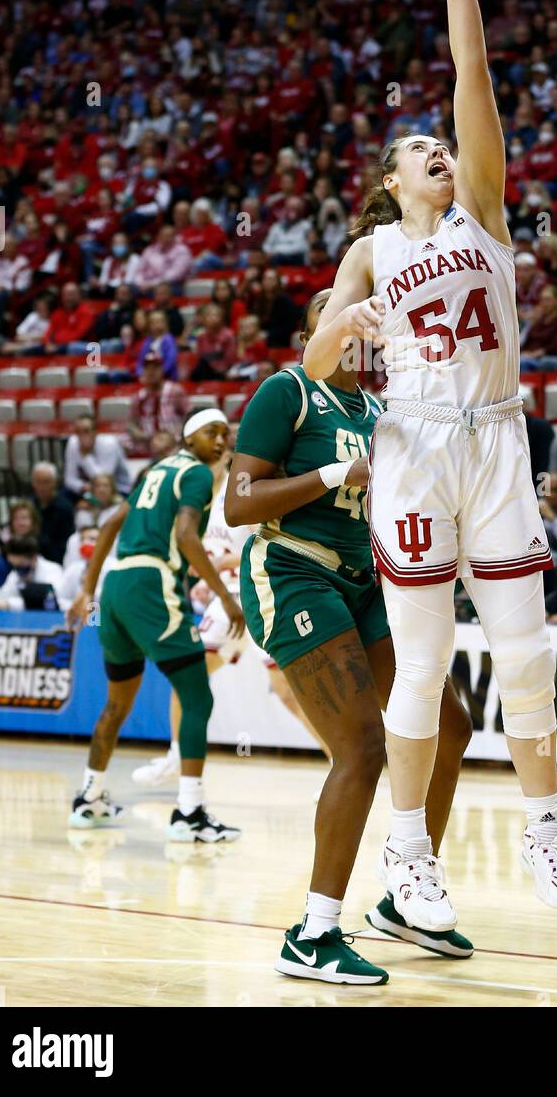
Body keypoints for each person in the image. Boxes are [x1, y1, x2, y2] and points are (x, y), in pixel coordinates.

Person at [303, 0, 557, 936]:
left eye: (440, 144)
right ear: (388, 179)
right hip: (412, 450)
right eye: (416, 147)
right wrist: (349, 328)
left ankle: (543, 822)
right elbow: (314, 357)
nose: (436, 148)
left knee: (522, 649)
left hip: (498, 439)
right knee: (419, 666)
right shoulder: (369, 250)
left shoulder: (485, 212)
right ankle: (409, 856)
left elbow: (471, 71)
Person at [226, 289, 473, 983]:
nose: (363, 323)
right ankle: (314, 931)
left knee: (449, 727)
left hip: (365, 579)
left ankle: (401, 898)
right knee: (363, 746)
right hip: (292, 569)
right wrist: (337, 473)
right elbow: (238, 503)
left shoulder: (375, 408)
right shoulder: (286, 392)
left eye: (371, 315)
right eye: (343, 314)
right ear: (317, 331)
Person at [65, 408, 245, 841]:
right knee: (197, 694)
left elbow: (109, 523)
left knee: (116, 704)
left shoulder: (153, 471)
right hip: (152, 585)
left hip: (117, 584)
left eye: (225, 434)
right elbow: (185, 536)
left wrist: (87, 590)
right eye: (210, 432)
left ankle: (89, 798)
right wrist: (223, 595)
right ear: (189, 438)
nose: (220, 441)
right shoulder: (197, 475)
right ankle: (190, 813)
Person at [132, 444, 258, 787]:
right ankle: (177, 756)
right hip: (226, 600)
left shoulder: (244, 489)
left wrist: (221, 567)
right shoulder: (200, 500)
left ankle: (340, 759)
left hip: (252, 595)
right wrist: (206, 579)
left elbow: (262, 544)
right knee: (188, 677)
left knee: (290, 692)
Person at [0, 535, 67, 611]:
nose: (17, 570)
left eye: (20, 566)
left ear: (34, 558)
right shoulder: (15, 574)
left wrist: (9, 604)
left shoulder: (53, 571)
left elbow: (51, 601)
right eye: (13, 565)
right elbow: (5, 595)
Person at [63, 413, 133, 498]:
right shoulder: (73, 442)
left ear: (95, 432)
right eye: (78, 431)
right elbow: (69, 479)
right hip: (89, 490)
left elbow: (103, 481)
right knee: (63, 497)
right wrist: (83, 486)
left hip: (119, 489)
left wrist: (85, 456)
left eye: (86, 431)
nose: (82, 436)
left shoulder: (109, 444)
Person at [127, 352, 187, 443]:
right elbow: (131, 423)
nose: (151, 371)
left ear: (162, 370)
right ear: (143, 371)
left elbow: (190, 416)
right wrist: (139, 434)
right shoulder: (138, 397)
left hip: (173, 442)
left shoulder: (175, 391)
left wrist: (177, 434)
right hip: (147, 443)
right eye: (147, 368)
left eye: (155, 368)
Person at [30, 462, 76, 565]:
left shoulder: (64, 508)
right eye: (38, 481)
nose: (42, 487)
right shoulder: (29, 504)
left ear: (54, 483)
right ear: (33, 483)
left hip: (56, 561)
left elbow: (66, 542)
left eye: (46, 482)